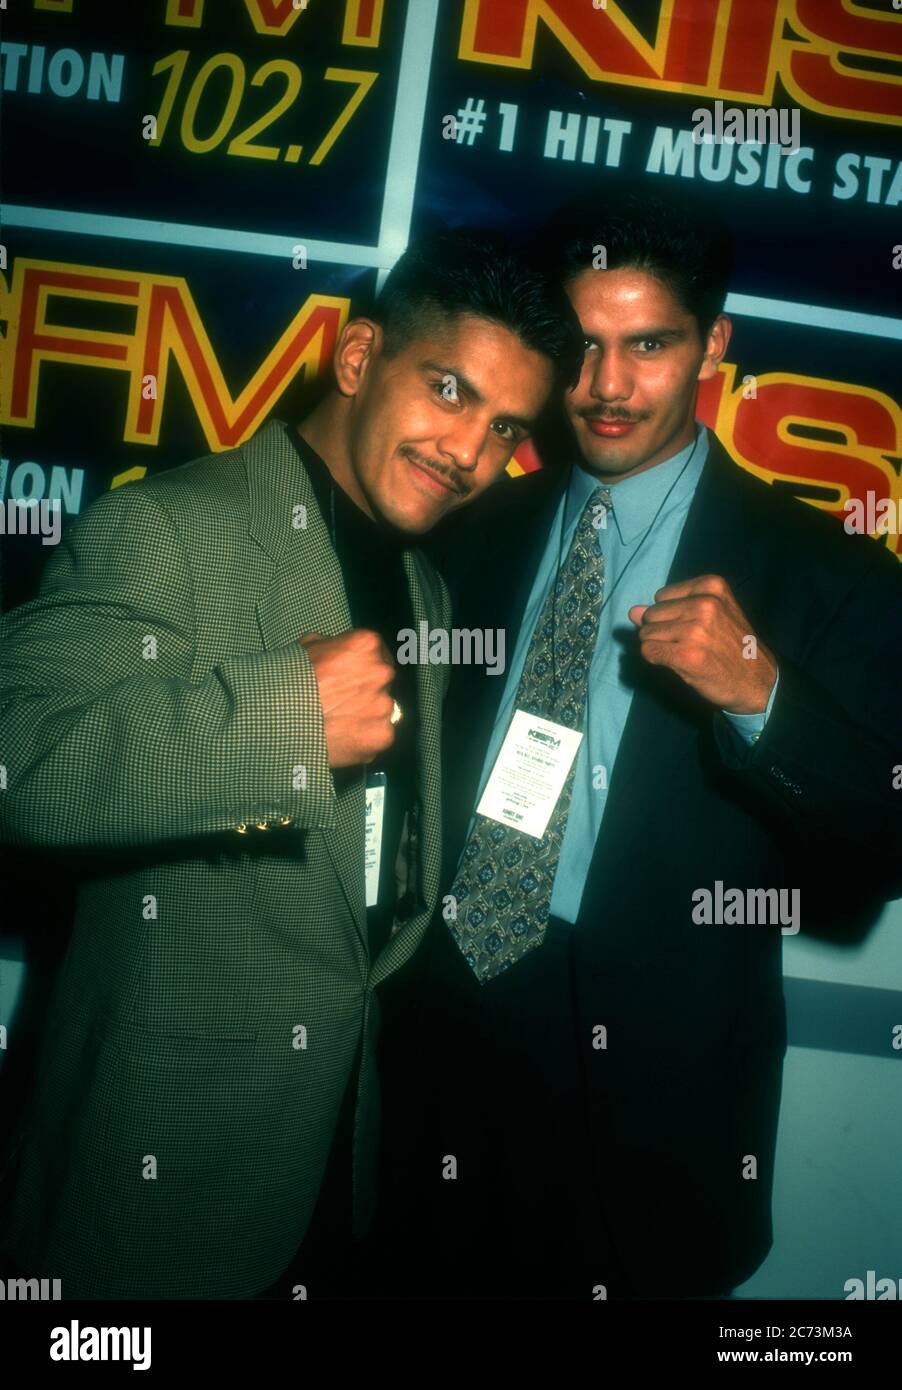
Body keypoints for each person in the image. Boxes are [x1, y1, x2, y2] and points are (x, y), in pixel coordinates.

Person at [0, 228, 582, 1299]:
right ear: (358, 359)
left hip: (327, 1166)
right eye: (447, 389)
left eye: (504, 427)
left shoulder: (427, 591)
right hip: (154, 1183)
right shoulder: (169, 524)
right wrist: (282, 725)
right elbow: (15, 759)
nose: (468, 449)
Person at [374, 193, 902, 1300]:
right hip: (436, 1041)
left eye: (649, 345)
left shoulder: (827, 575)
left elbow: (877, 847)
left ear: (713, 342)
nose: (606, 388)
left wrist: (764, 697)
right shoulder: (465, 532)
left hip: (652, 1105)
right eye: (582, 349)